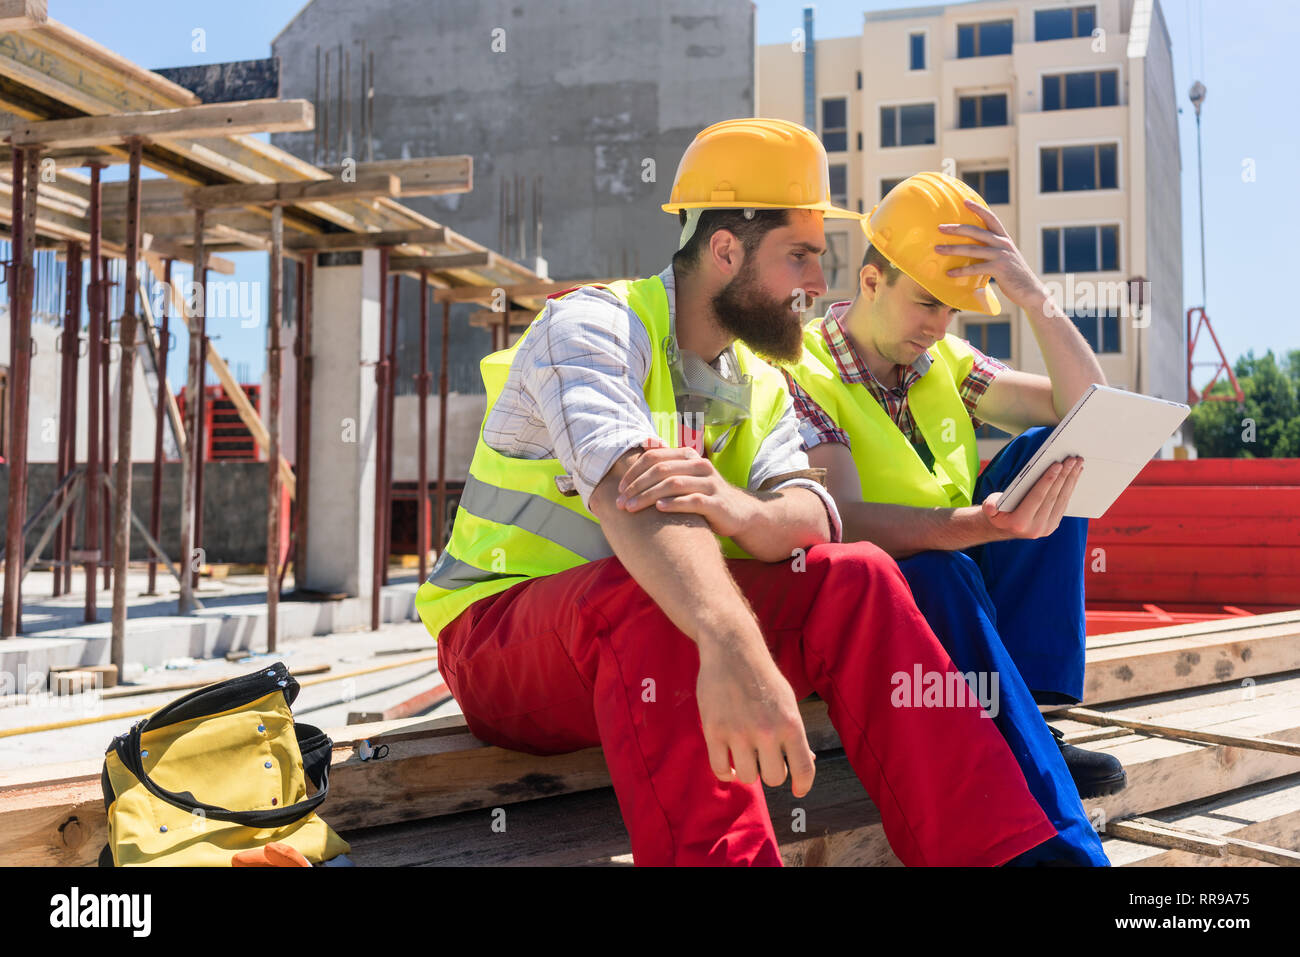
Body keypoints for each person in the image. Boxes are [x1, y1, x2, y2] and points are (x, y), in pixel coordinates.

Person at [415, 120, 1082, 866]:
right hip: (505, 643)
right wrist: (734, 643)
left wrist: (742, 510)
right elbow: (633, 510)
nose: (817, 285)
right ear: (725, 249)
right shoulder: (592, 328)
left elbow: (812, 519)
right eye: (799, 256)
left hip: (660, 631)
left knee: (858, 576)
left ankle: (1005, 856)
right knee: (658, 590)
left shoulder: (760, 378)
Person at [779, 171, 1127, 810]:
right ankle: (1013, 745)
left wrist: (1032, 296)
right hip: (889, 600)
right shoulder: (801, 368)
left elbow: (1087, 412)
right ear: (871, 281)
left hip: (961, 572)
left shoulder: (945, 362)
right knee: (941, 567)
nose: (938, 326)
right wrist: (977, 525)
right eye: (926, 302)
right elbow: (845, 520)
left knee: (1050, 453)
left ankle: (1033, 716)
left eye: (951, 309)